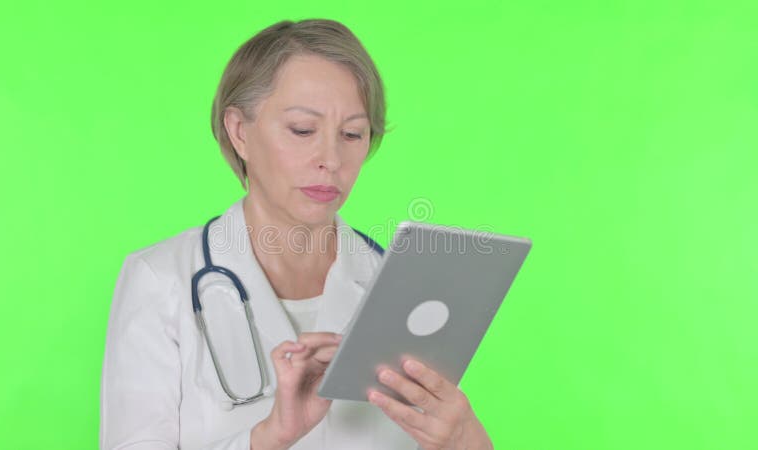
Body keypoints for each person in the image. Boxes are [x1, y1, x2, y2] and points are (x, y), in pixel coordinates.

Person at [100, 18, 494, 450]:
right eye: (303, 130)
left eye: (352, 134)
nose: (331, 158)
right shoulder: (161, 280)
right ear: (239, 132)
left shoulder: (405, 286)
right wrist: (270, 437)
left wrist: (465, 439)